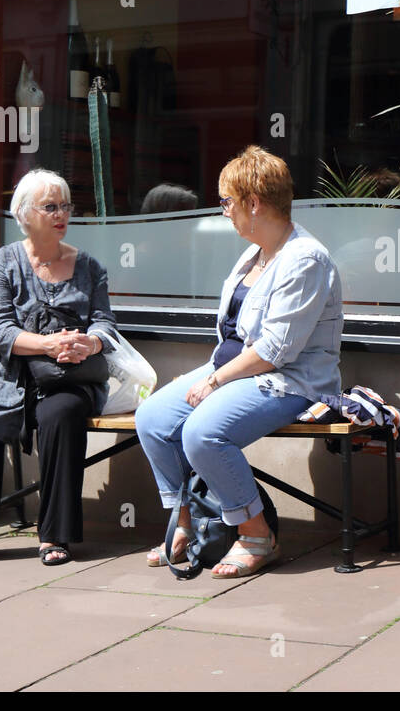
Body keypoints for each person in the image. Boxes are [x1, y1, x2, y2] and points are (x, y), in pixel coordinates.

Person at [135, 146, 342, 577]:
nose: (224, 211)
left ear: (254, 203)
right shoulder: (253, 253)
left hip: (289, 381)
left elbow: (275, 351)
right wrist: (209, 374)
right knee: (153, 417)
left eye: (227, 201)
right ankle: (184, 526)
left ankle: (256, 535)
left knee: (202, 433)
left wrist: (213, 383)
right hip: (231, 371)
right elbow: (234, 334)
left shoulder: (305, 259)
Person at [0, 169, 118, 566]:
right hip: (2, 370)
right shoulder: (0, 262)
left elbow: (106, 324)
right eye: (50, 206)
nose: (62, 213)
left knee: (64, 415)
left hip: (66, 374)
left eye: (65, 206)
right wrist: (47, 343)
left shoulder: (89, 266)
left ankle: (55, 536)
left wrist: (88, 342)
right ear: (23, 214)